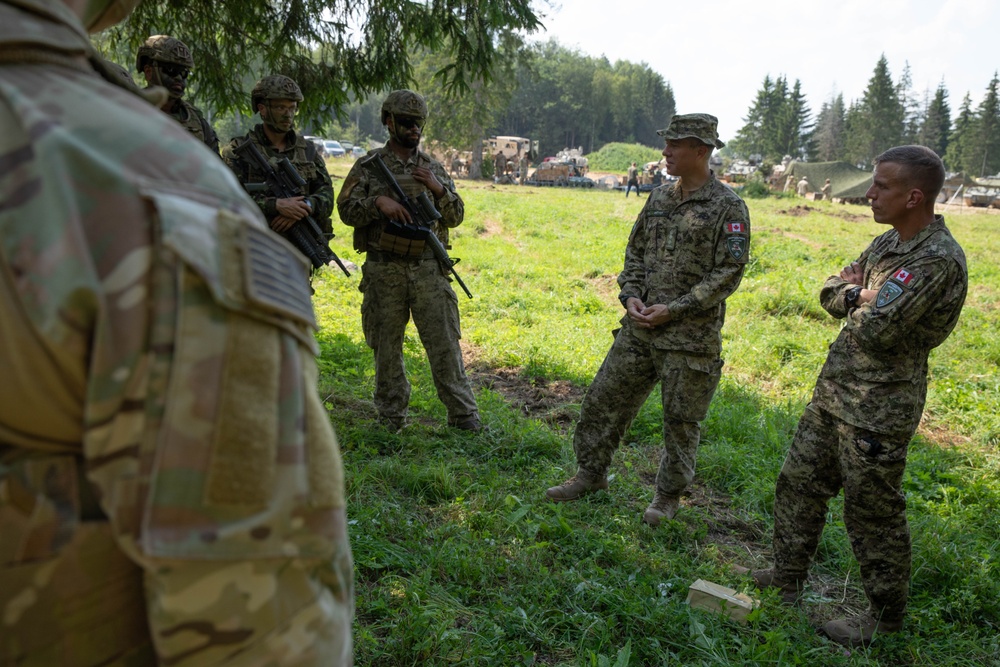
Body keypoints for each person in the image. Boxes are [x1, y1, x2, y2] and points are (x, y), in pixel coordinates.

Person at [0, 1, 354, 664]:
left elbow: (329, 197)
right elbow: (260, 610)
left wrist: (303, 209)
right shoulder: (140, 174)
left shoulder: (175, 146)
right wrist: (255, 208)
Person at [745, 146, 967, 648]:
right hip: (834, 395)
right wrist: (857, 294)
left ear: (914, 196)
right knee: (798, 483)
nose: (869, 193)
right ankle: (786, 576)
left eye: (881, 186)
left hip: (878, 412)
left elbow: (880, 331)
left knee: (872, 512)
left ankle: (884, 619)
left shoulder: (935, 260)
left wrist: (862, 298)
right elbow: (831, 290)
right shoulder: (888, 244)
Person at [545, 113, 751, 526]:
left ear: (702, 150)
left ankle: (667, 498)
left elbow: (728, 274)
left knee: (680, 421)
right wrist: (631, 296)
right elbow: (634, 253)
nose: (666, 152)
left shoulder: (729, 207)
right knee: (604, 401)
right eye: (667, 143)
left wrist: (674, 310)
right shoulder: (658, 198)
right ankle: (590, 474)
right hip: (640, 329)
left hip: (689, 338)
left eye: (675, 145)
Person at [337, 89, 481, 433]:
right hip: (384, 268)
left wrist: (438, 189)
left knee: (445, 344)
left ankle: (464, 417)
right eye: (405, 122)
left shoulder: (432, 167)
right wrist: (377, 204)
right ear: (389, 122)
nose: (413, 129)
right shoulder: (370, 166)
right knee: (387, 347)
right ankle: (390, 417)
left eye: (418, 123)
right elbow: (345, 210)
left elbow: (457, 216)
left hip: (428, 269)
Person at [222, 75, 336, 240]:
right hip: (252, 249)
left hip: (299, 250)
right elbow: (226, 199)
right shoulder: (237, 152)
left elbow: (327, 195)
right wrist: (275, 206)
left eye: (292, 108)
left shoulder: (308, 151)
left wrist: (303, 207)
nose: (288, 114)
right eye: (280, 108)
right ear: (262, 109)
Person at [136, 34, 220, 154]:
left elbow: (215, 165)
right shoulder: (130, 109)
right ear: (149, 72)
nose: (179, 78)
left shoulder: (195, 119)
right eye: (171, 70)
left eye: (184, 73)